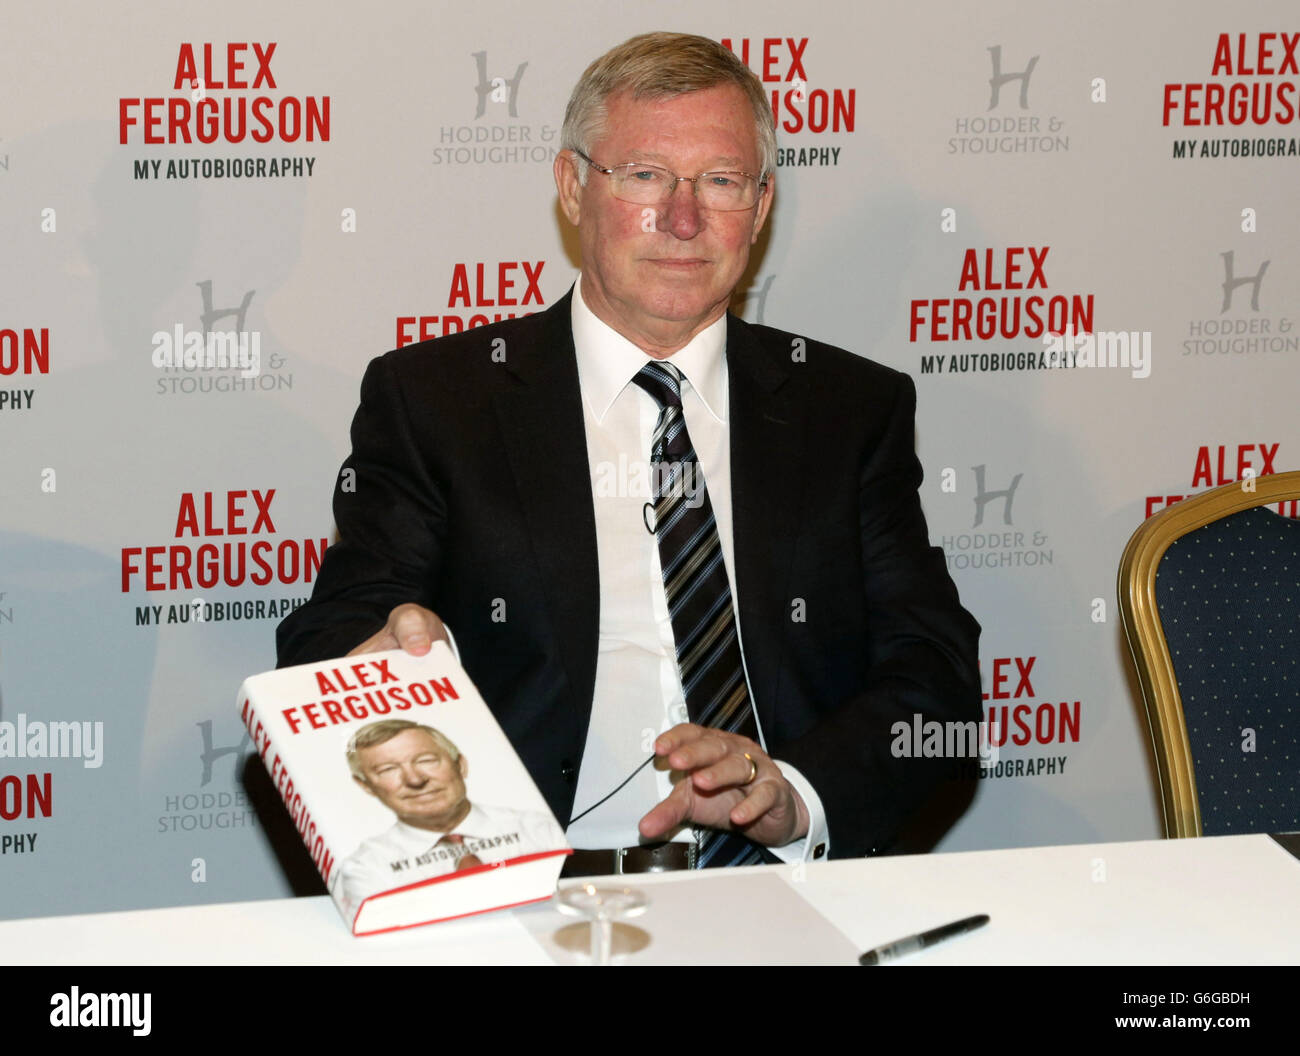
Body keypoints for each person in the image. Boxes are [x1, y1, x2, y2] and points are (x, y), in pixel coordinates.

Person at [278, 31, 981, 873]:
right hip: (526, 895)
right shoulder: (437, 403)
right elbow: (329, 638)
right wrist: (386, 658)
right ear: (573, 188)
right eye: (645, 176)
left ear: (759, 209)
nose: (682, 220)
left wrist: (797, 792)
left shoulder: (850, 409)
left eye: (719, 183)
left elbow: (934, 679)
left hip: (786, 894)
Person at [336, 720, 566, 914]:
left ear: (461, 765)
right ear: (365, 786)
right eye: (387, 769)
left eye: (426, 760)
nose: (415, 780)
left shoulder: (538, 830)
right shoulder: (365, 870)